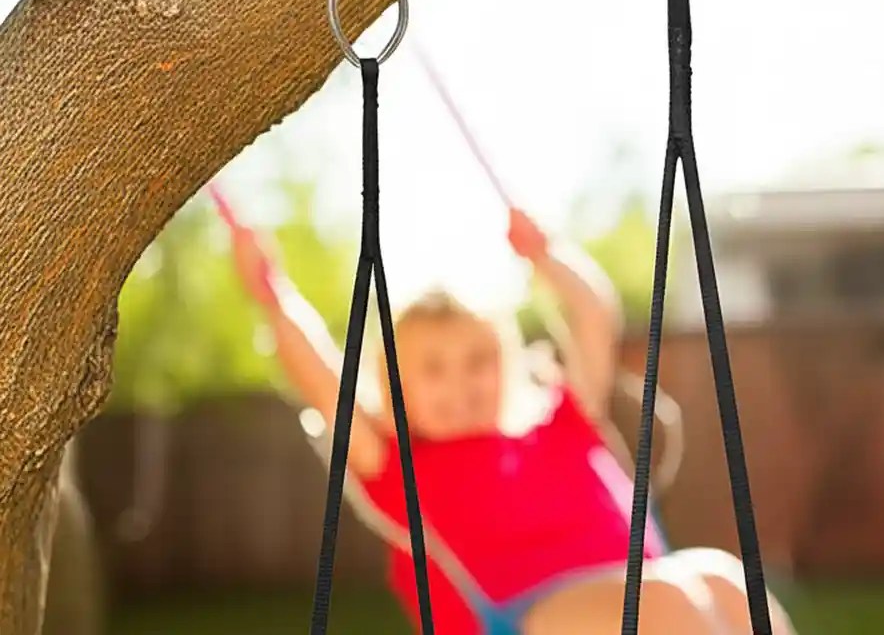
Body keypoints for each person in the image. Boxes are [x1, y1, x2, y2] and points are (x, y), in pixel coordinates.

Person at [230, 206, 795, 635]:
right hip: (520, 614)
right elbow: (324, 381)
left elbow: (594, 316)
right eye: (432, 369)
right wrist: (273, 293)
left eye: (479, 360)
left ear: (507, 361)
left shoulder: (562, 419)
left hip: (645, 585)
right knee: (668, 601)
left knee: (728, 580)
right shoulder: (397, 463)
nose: (461, 383)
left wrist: (545, 254)